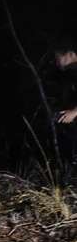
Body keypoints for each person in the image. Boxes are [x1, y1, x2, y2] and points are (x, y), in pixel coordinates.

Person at [52, 37, 77, 166]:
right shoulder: (70, 74)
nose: (57, 62)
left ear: (71, 54)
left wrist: (74, 112)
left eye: (59, 58)